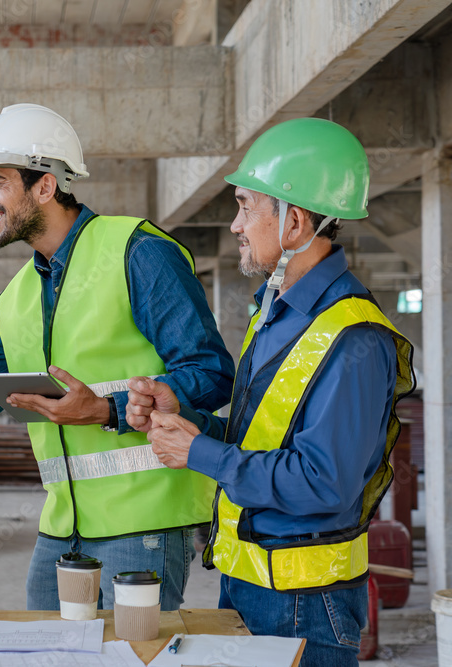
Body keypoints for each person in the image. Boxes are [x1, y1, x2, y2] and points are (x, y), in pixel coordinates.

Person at [0, 104, 235, 611]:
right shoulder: (17, 296)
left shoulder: (136, 252)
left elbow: (212, 374)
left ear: (45, 185)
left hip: (144, 522)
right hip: (62, 528)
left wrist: (105, 411)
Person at [126, 118, 415, 666]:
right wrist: (188, 421)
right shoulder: (274, 313)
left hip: (306, 602)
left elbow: (324, 484)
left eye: (244, 206)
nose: (234, 224)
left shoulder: (354, 340)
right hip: (250, 580)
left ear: (294, 222)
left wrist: (198, 455)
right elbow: (260, 440)